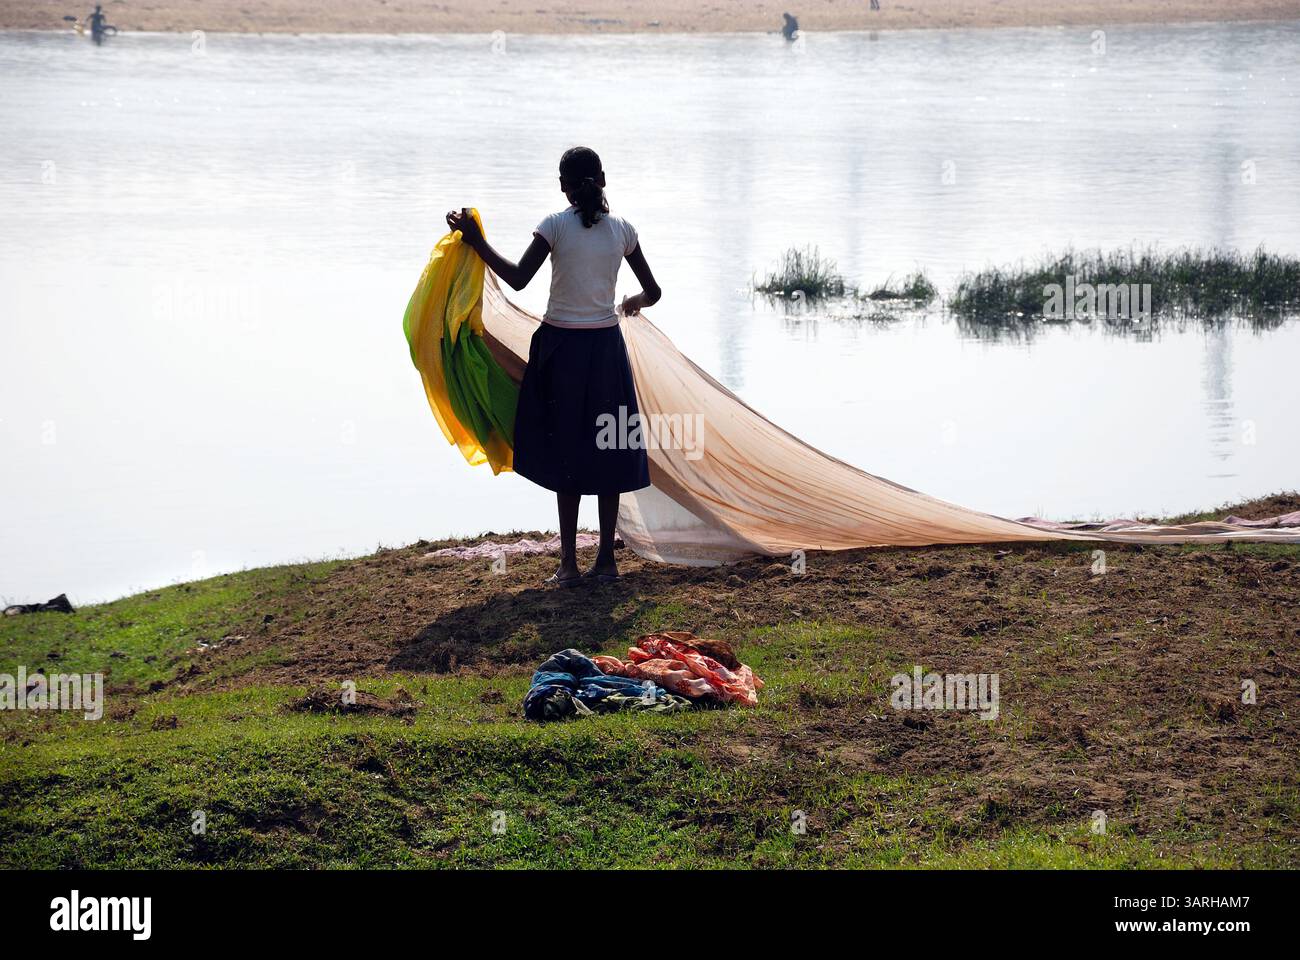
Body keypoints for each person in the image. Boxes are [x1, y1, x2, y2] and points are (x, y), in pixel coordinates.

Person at [445, 146, 660, 586]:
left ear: (563, 187)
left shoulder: (555, 226)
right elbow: (653, 291)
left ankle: (567, 564)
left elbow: (520, 278)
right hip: (605, 351)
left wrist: (475, 241)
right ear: (603, 179)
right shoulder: (623, 230)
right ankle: (606, 561)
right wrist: (632, 303)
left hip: (562, 350)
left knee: (567, 451)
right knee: (610, 448)